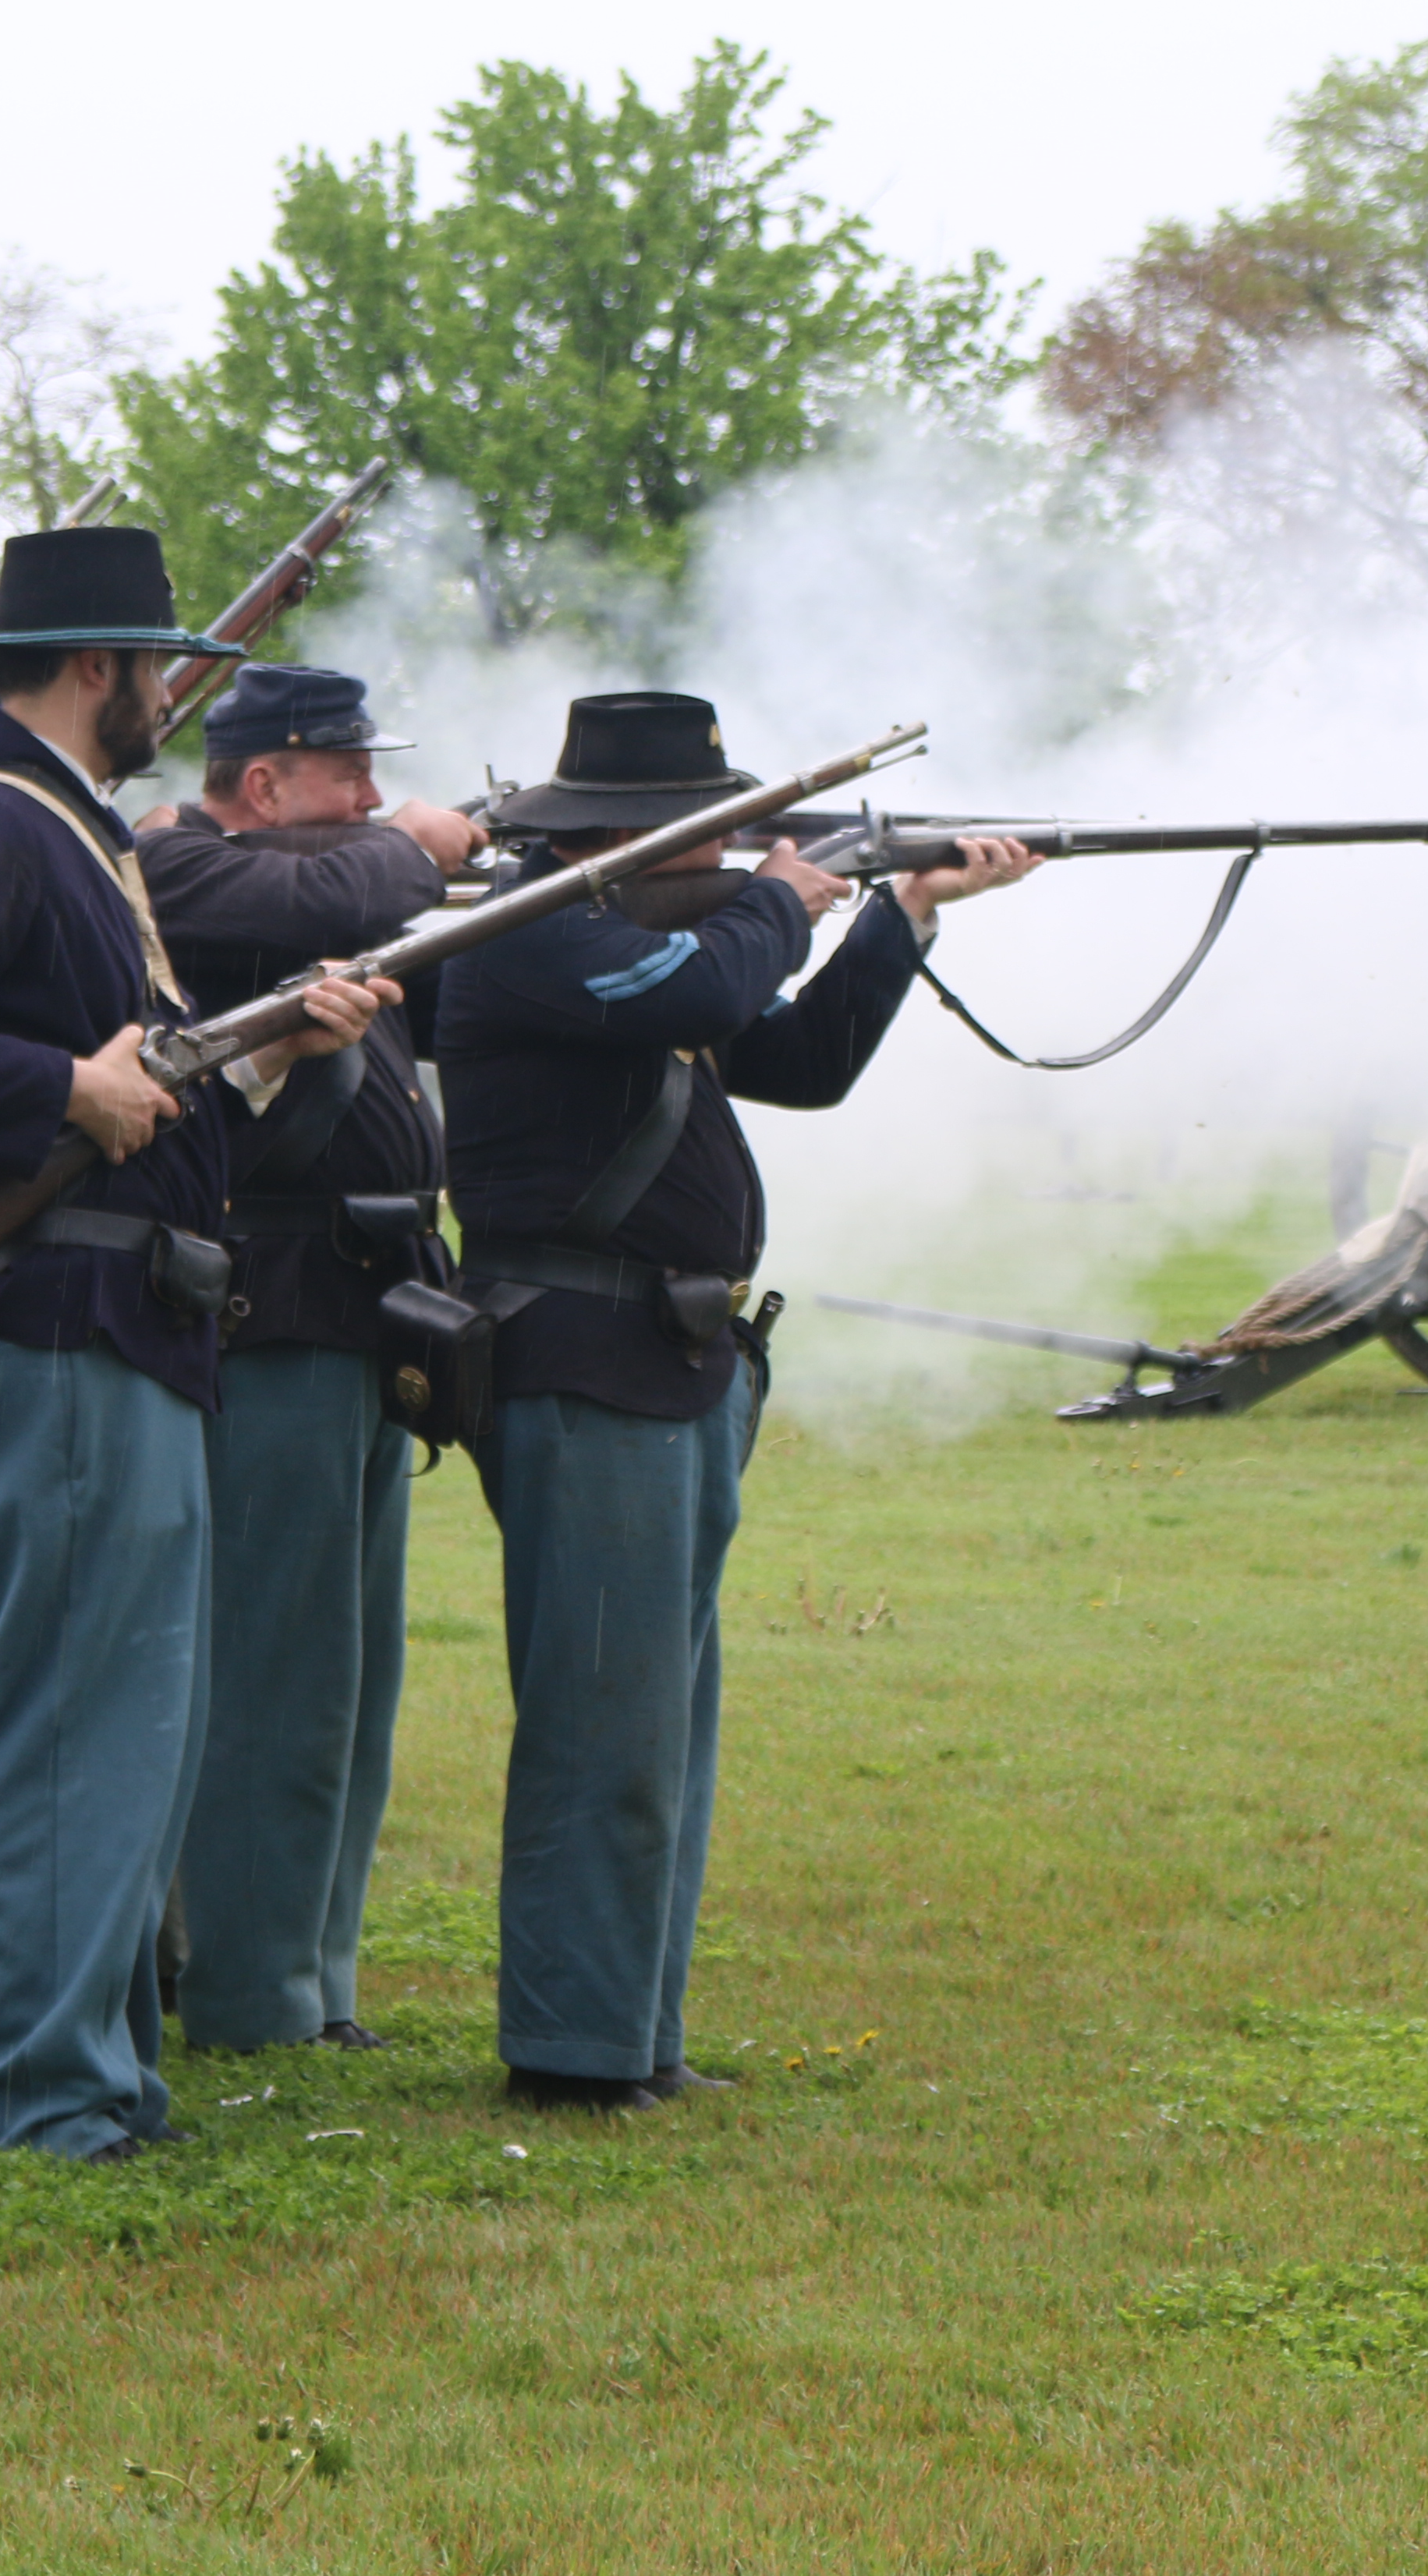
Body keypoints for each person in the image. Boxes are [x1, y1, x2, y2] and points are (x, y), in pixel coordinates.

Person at [0, 527, 390, 2162]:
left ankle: (95, 2068)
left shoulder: (61, 828)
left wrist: (268, 1066)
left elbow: (140, 1081)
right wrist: (63, 1090)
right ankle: (39, 2089)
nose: (173, 692)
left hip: (126, 1318)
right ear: (97, 671)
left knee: (124, 1718)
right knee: (71, 1716)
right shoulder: (0, 824)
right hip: (65, 1324)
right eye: (157, 664)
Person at [436, 691, 1032, 2113]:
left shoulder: (634, 941)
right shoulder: (531, 935)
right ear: (640, 837)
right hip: (587, 1357)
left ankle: (631, 2028)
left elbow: (799, 1061)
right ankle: (572, 2050)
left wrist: (904, 912)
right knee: (602, 1722)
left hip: (673, 1361)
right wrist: (784, 890)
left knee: (659, 1727)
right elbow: (707, 993)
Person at [135, 664, 476, 2052]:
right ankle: (248, 1988)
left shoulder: (329, 889)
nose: (371, 801)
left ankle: (315, 1975)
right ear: (265, 784)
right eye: (347, 779)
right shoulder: (201, 874)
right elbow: (319, 907)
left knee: (348, 1676)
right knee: (277, 1677)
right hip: (266, 1320)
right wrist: (414, 845)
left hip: (355, 1315)